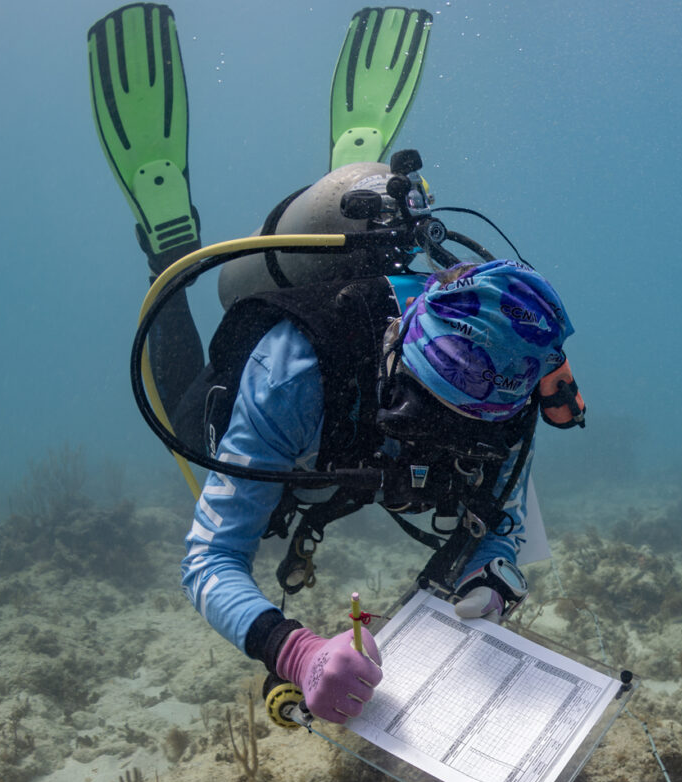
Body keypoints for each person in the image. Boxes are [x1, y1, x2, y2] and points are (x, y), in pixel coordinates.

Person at [87, 4, 583, 725]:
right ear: (409, 351)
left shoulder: (508, 383)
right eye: (450, 385)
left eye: (490, 398)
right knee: (192, 411)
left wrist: (495, 575)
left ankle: (348, 192)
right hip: (302, 409)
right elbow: (209, 561)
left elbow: (504, 514)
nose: (471, 412)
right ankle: (173, 254)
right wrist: (295, 652)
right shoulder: (295, 373)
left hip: (359, 398)